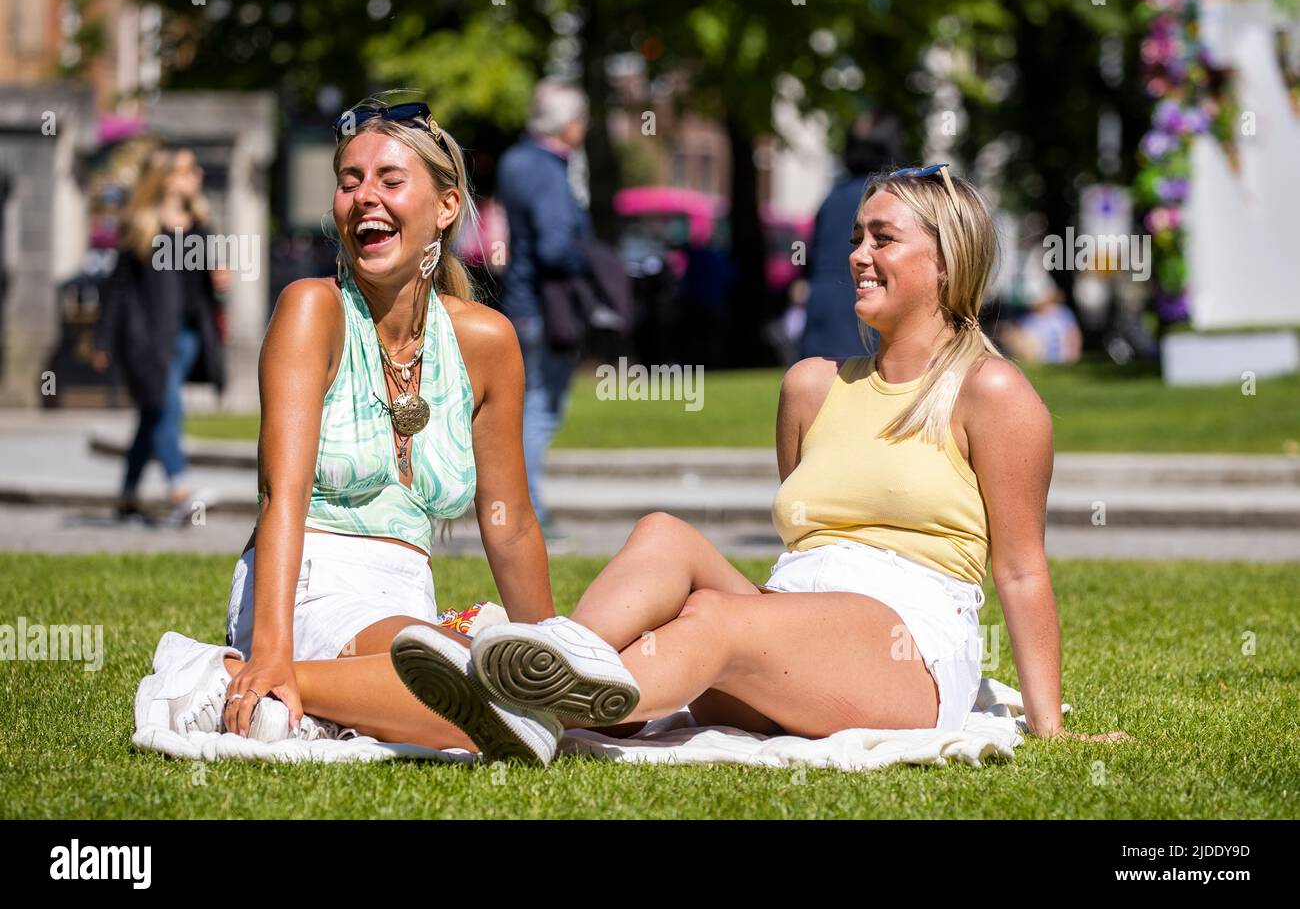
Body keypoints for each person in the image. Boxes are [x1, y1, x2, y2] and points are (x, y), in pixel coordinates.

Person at [392, 163, 1131, 746]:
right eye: (855, 238)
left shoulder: (991, 391)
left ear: (947, 262)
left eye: (883, 239)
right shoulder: (813, 386)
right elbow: (806, 544)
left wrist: (1051, 725)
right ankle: (556, 664)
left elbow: (1022, 568)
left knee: (712, 620)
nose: (858, 257)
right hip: (789, 626)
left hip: (908, 653)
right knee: (664, 535)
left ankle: (537, 700)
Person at [133, 99, 566, 765]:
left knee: (509, 700)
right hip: (305, 582)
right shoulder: (313, 311)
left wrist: (553, 662)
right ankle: (243, 676)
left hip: (403, 603)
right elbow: (284, 496)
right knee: (472, 696)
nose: (366, 197)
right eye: (350, 181)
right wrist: (272, 649)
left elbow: (508, 526)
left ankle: (277, 700)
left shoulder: (487, 343)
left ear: (446, 207)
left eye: (390, 181)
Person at [92, 146, 228, 524]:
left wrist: (218, 279)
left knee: (153, 411)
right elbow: (116, 286)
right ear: (167, 178)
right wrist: (103, 339)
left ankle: (126, 496)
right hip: (148, 336)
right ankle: (180, 489)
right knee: (167, 405)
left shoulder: (200, 223)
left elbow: (205, 283)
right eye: (187, 169)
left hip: (188, 335)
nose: (196, 175)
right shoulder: (140, 224)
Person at [494, 79, 593, 539]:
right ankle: (528, 510)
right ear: (569, 124)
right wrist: (590, 257)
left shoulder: (514, 162)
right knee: (540, 409)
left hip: (519, 301)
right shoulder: (549, 171)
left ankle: (520, 505)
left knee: (525, 407)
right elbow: (555, 247)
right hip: (545, 307)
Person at [799, 113, 902, 359]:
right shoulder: (888, 199)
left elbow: (808, 257)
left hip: (826, 305)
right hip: (861, 299)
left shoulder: (832, 197)